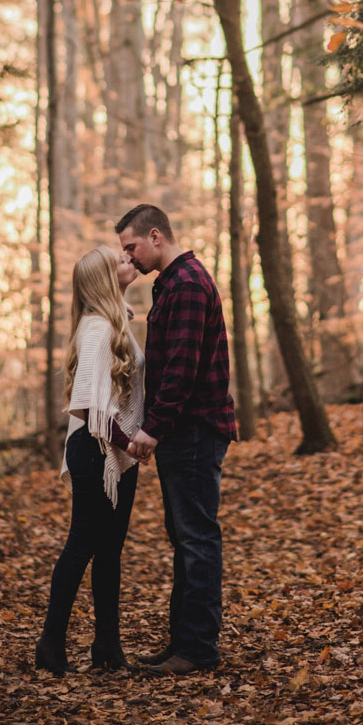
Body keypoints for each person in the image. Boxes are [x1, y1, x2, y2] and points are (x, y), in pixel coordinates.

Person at [115, 203, 237, 676]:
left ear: (155, 236)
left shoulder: (186, 285)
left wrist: (152, 429)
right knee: (186, 538)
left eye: (132, 247)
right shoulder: (175, 283)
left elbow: (180, 372)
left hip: (192, 432)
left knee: (197, 539)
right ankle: (183, 643)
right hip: (185, 433)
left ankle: (198, 650)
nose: (129, 257)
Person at [35, 245, 144, 677]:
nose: (128, 261)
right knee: (81, 545)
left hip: (114, 448)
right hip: (94, 450)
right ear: (103, 278)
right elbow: (86, 407)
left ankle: (107, 645)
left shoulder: (116, 322)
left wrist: (132, 440)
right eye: (119, 260)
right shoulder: (97, 328)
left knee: (110, 551)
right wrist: (132, 442)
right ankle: (51, 642)